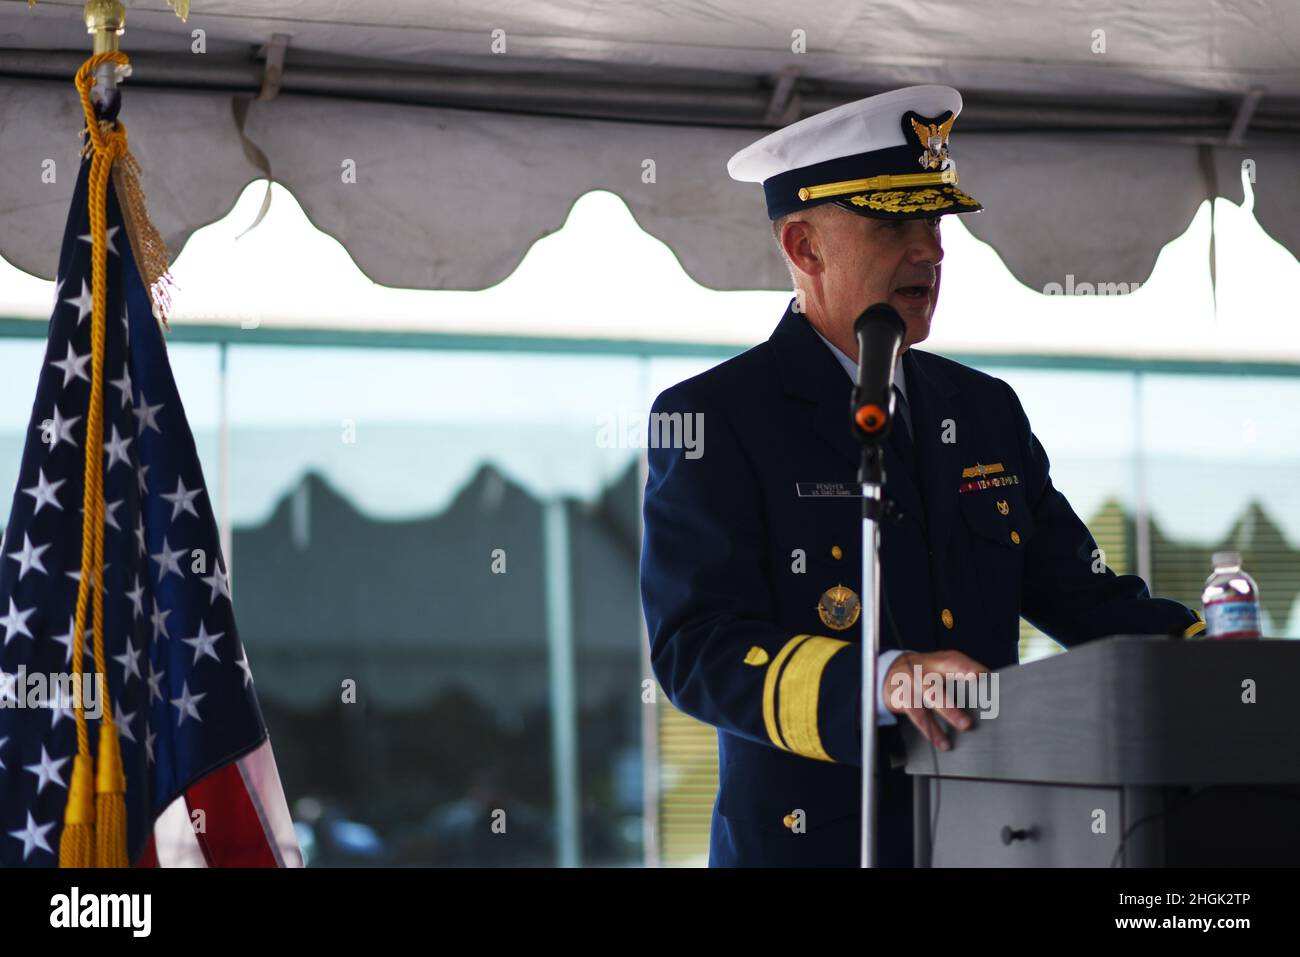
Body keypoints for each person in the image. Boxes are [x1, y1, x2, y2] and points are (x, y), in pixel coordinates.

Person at [639, 85, 1204, 867]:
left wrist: (1223, 660)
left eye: (935, 221)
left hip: (988, 842)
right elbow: (696, 649)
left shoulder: (982, 409)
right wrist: (884, 679)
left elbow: (1085, 597)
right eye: (892, 222)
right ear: (804, 247)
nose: (931, 250)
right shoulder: (715, 417)